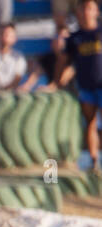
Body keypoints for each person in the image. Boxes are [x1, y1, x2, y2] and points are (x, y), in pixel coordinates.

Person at [58, 0, 102, 171]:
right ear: (77, 12)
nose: (86, 12)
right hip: (85, 86)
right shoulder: (74, 38)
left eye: (90, 8)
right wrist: (58, 81)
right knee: (90, 124)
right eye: (83, 8)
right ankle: (93, 162)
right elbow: (68, 64)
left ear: (96, 11)